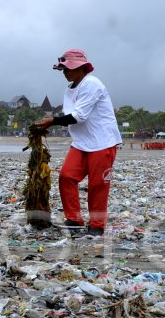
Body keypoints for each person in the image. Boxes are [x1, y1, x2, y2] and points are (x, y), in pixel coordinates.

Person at [32, 48, 122, 236]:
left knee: (98, 185)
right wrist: (52, 124)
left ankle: (97, 225)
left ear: (82, 68)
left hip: (102, 141)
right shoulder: (70, 89)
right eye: (63, 69)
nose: (65, 72)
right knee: (66, 176)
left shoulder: (92, 84)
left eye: (69, 68)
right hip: (82, 142)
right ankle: (74, 219)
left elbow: (79, 116)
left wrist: (53, 121)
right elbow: (71, 116)